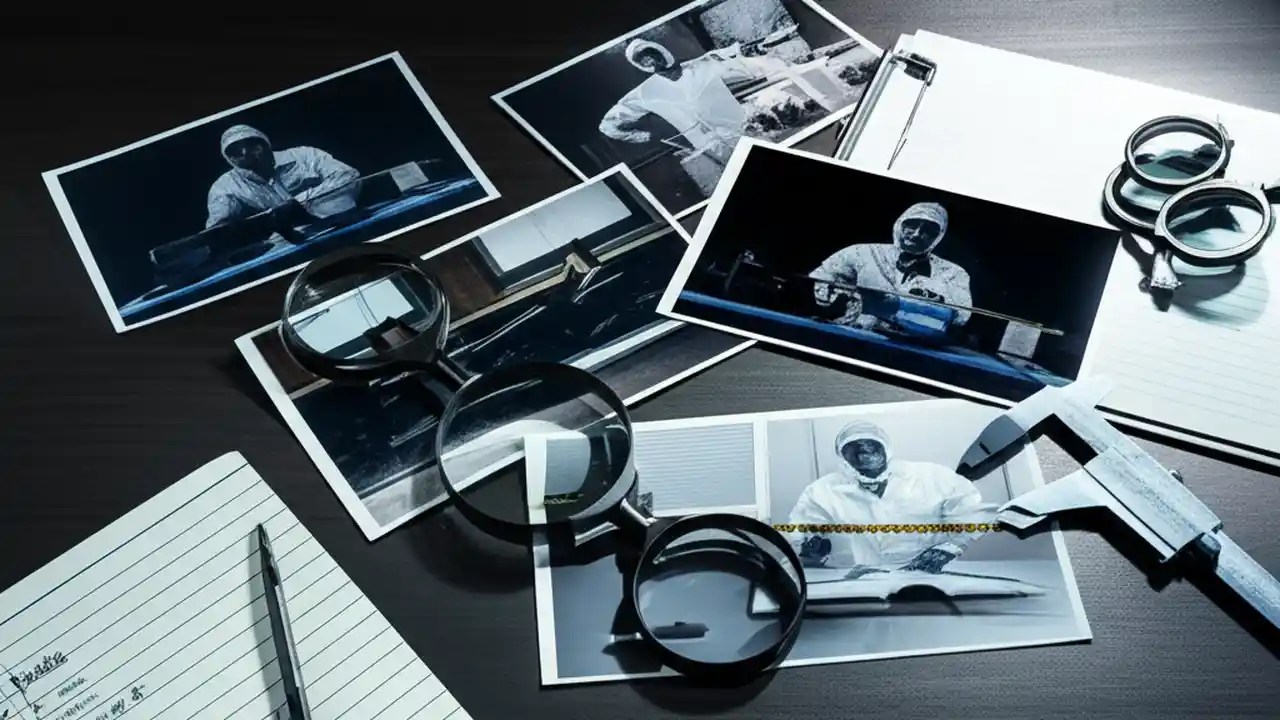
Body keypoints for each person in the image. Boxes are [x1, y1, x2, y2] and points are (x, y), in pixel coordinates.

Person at [784, 419, 997, 574]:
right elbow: (798, 535)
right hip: (856, 581)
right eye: (856, 451)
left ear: (886, 450)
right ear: (843, 457)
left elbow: (974, 513)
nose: (865, 456)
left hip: (933, 577)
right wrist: (810, 549)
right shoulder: (821, 491)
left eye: (871, 449)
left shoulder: (932, 477)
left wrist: (951, 547)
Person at [598, 38, 792, 167]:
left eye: (653, 55)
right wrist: (643, 136)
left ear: (662, 51)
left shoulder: (705, 66)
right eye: (644, 61)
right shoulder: (645, 93)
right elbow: (608, 126)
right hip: (712, 152)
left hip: (747, 133)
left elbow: (753, 68)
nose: (653, 62)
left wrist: (785, 69)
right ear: (640, 65)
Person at [809, 202, 973, 334]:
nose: (916, 234)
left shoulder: (953, 273)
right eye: (912, 225)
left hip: (908, 348)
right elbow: (819, 280)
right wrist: (840, 303)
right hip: (850, 333)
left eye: (928, 231)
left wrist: (902, 305)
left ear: (939, 235)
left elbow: (961, 316)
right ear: (900, 224)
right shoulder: (861, 252)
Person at [205, 124, 361, 240]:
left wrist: (300, 203)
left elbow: (348, 176)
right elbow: (217, 228)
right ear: (228, 158)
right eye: (234, 151)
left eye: (251, 145)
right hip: (287, 244)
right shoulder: (224, 187)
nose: (245, 153)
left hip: (341, 224)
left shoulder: (304, 155)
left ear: (264, 143)